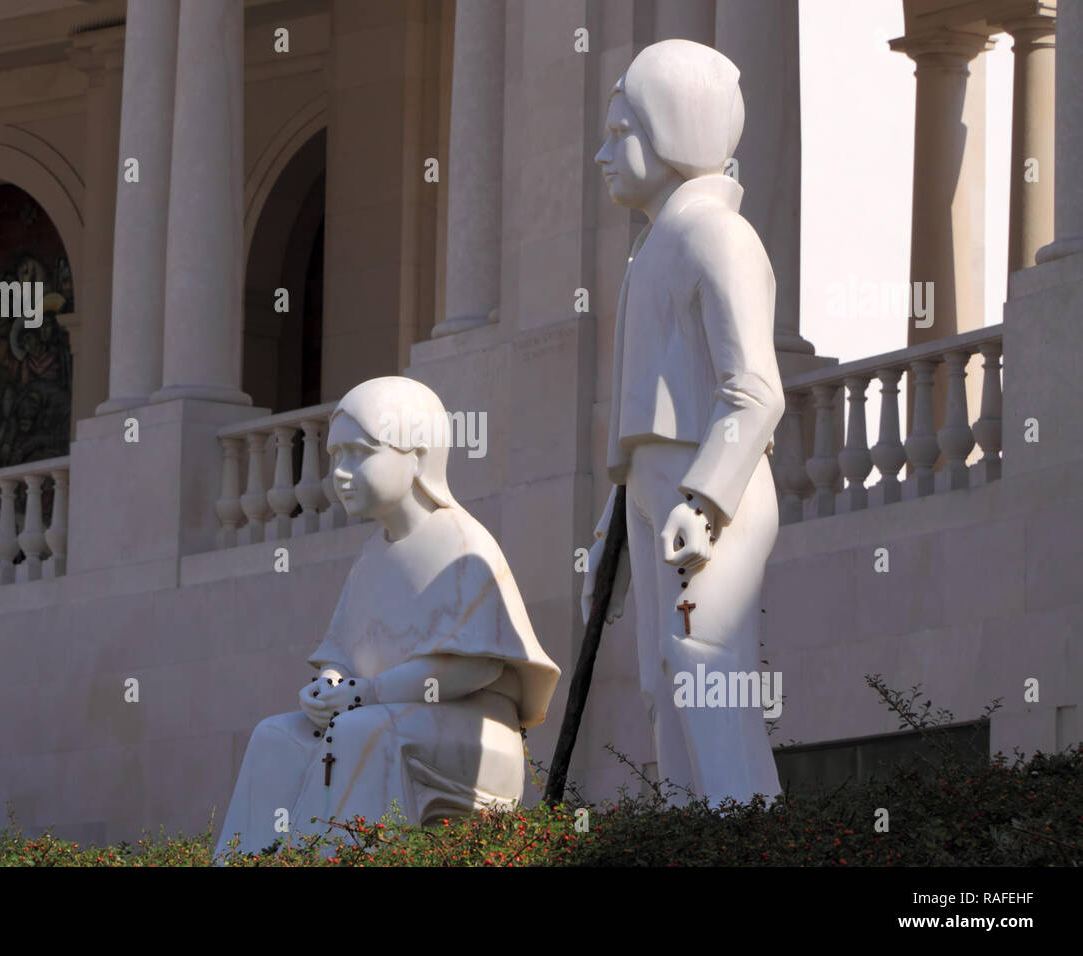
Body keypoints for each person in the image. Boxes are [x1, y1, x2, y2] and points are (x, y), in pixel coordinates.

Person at [216, 376, 560, 858]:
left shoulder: (464, 545)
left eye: (358, 453)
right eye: (336, 456)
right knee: (275, 736)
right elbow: (342, 656)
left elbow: (473, 667)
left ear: (417, 456)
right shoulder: (371, 556)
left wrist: (365, 695)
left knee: (359, 731)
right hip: (380, 718)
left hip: (471, 735)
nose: (339, 472)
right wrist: (331, 686)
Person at [584, 40, 784, 806]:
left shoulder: (716, 235)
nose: (605, 154)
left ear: (673, 130)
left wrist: (704, 501)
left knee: (706, 670)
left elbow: (755, 391)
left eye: (621, 133)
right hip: (658, 489)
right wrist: (615, 519)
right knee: (664, 685)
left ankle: (744, 834)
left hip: (710, 489)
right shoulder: (650, 249)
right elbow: (643, 422)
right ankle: (689, 831)